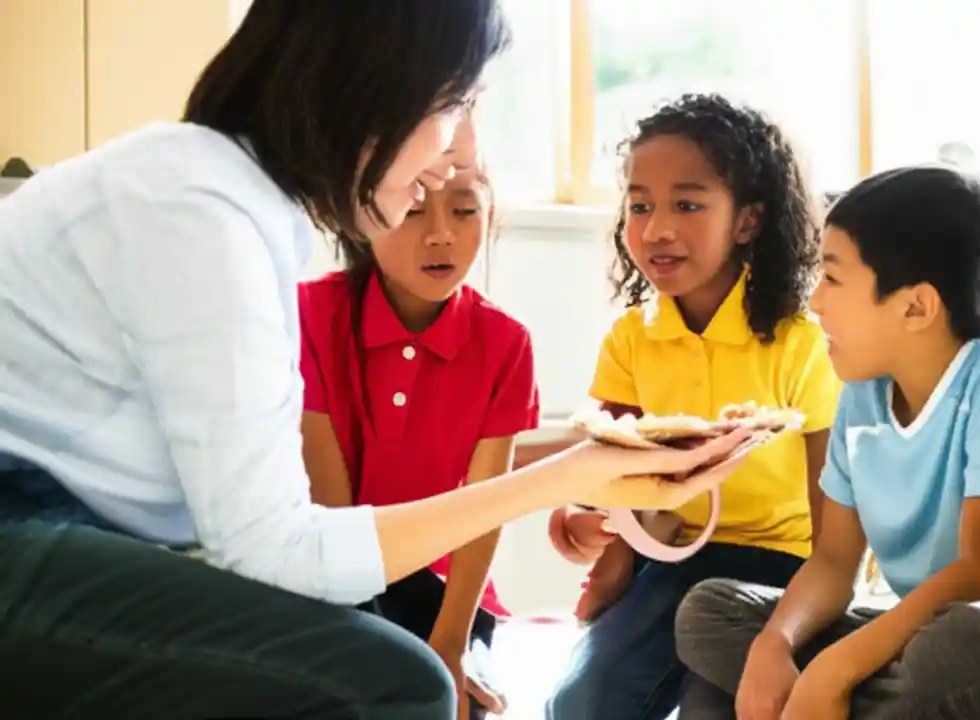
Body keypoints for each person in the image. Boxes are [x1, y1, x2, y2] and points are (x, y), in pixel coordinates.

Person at [0, 3, 754, 718]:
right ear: (378, 86)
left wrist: (583, 465)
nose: (457, 156)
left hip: (73, 530)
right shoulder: (202, 215)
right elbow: (279, 548)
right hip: (25, 521)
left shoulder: (230, 205)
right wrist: (568, 475)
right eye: (456, 106)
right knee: (392, 683)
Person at [675, 166, 980, 720]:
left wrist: (832, 670)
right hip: (919, 646)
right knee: (710, 612)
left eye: (833, 280)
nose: (815, 302)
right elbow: (835, 560)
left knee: (971, 641)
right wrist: (777, 645)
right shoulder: (862, 391)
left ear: (916, 307)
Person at [544, 93, 841, 720]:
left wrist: (792, 631)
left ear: (748, 222)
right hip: (670, 560)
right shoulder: (631, 338)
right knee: (578, 703)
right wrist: (585, 530)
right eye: (640, 205)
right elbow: (605, 482)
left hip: (780, 570)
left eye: (687, 204)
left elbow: (833, 527)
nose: (656, 229)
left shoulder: (802, 341)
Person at [299, 166, 532, 718]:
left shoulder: (506, 342)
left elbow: (485, 511)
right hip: (334, 579)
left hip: (449, 598)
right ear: (361, 219)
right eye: (413, 209)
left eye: (464, 210)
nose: (441, 234)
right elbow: (332, 518)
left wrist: (451, 644)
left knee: (457, 702)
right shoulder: (309, 313)